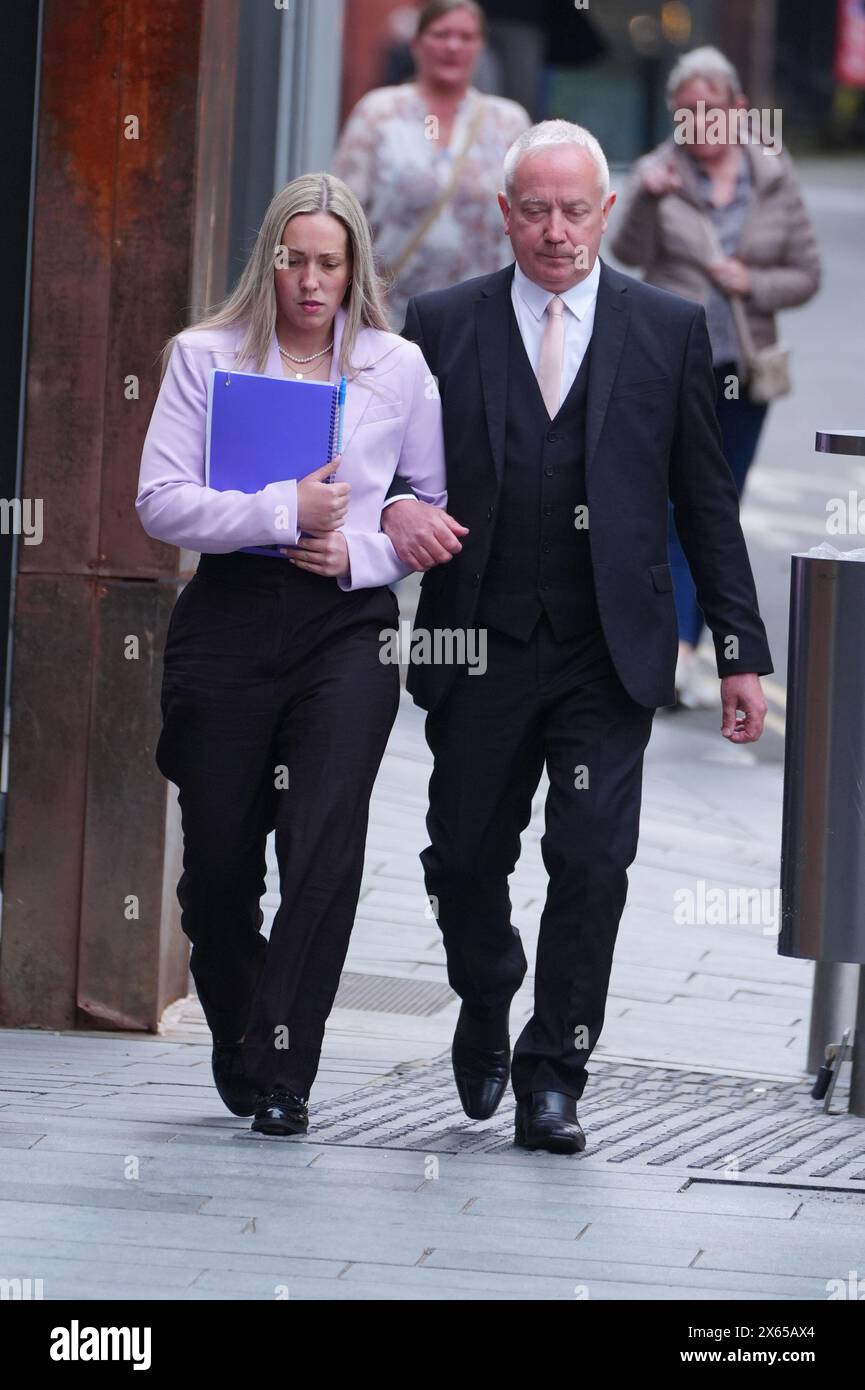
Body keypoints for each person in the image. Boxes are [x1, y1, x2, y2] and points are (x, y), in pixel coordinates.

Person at [380, 120, 772, 1155]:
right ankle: (487, 988)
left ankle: (553, 1072)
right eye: (534, 209)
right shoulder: (441, 323)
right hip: (477, 640)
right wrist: (390, 516)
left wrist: (738, 650)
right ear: (504, 214)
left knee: (591, 863)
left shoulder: (667, 327)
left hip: (611, 647)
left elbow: (703, 498)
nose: (555, 230)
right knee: (462, 854)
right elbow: (391, 475)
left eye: (574, 209)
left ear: (606, 211)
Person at [135, 173, 446, 1137]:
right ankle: (238, 1022)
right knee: (218, 870)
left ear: (355, 269)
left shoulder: (399, 368)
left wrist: (355, 546)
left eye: (330, 263)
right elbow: (159, 501)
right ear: (268, 261)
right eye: (295, 262)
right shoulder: (203, 356)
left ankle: (282, 1067)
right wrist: (280, 512)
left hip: (343, 627)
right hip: (227, 618)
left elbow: (423, 508)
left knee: (322, 839)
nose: (312, 283)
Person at [610, 46, 820, 708]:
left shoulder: (773, 176)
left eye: (711, 108)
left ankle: (694, 645)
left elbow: (805, 275)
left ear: (736, 108)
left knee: (715, 508)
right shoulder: (657, 174)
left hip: (745, 370)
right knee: (669, 504)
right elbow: (626, 254)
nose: (699, 121)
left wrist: (750, 280)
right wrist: (644, 198)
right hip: (670, 366)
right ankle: (672, 648)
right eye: (686, 110)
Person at [331, 0, 529, 330]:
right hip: (388, 317)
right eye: (441, 34)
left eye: (466, 37)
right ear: (416, 43)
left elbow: (526, 216)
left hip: (481, 319)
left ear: (481, 46)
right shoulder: (379, 113)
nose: (453, 46)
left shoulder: (508, 122)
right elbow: (340, 214)